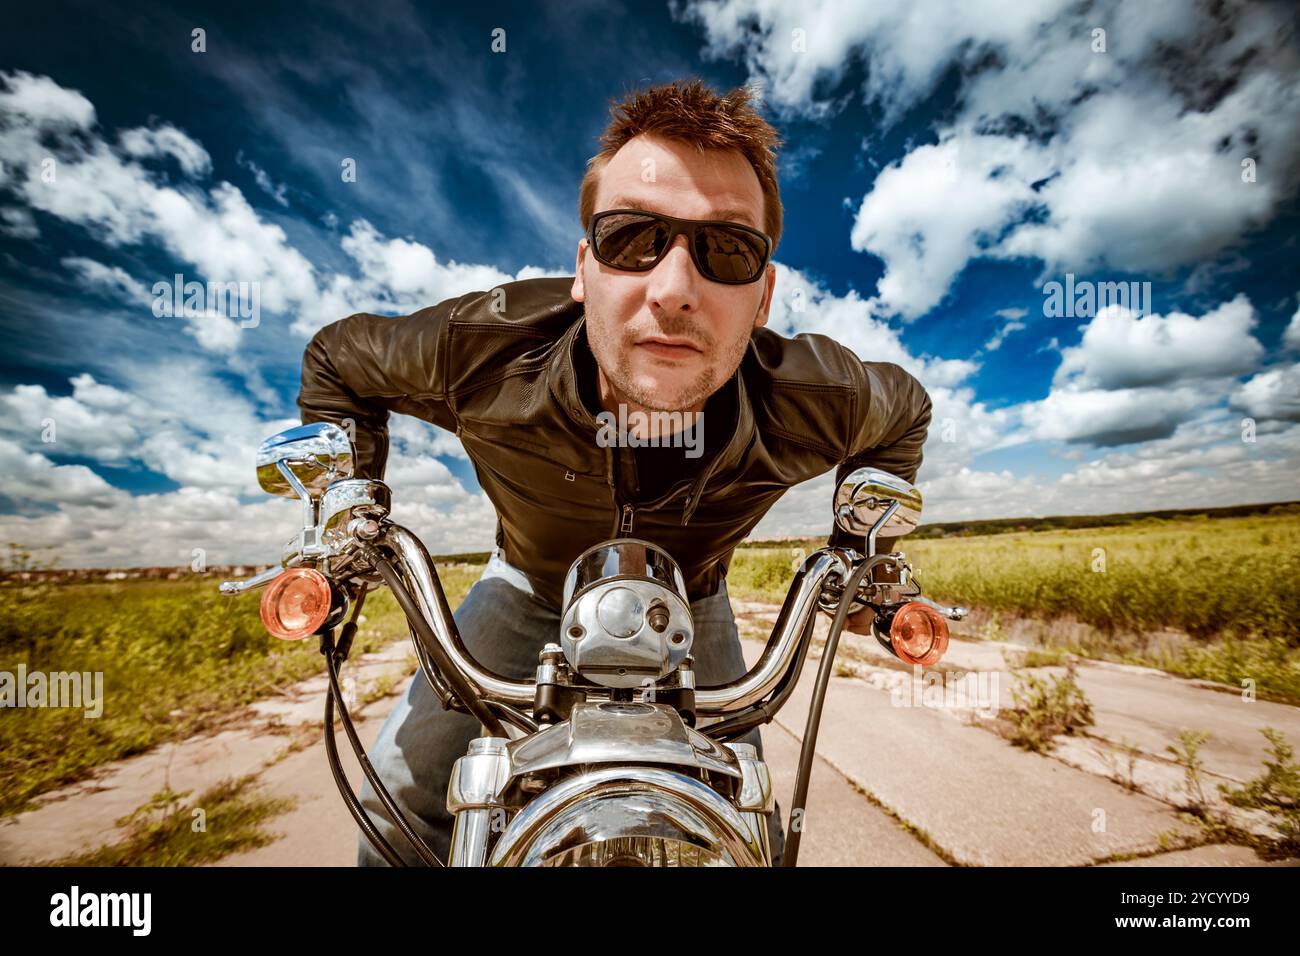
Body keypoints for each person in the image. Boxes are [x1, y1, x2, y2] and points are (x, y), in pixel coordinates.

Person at [296, 78, 933, 866]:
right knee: (399, 799)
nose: (672, 291)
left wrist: (861, 558)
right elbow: (336, 359)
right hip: (526, 582)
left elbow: (905, 408)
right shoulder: (479, 346)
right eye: (632, 238)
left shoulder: (817, 397)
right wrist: (345, 519)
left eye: (727, 249)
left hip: (693, 598)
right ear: (582, 269)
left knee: (747, 814)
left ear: (764, 294)